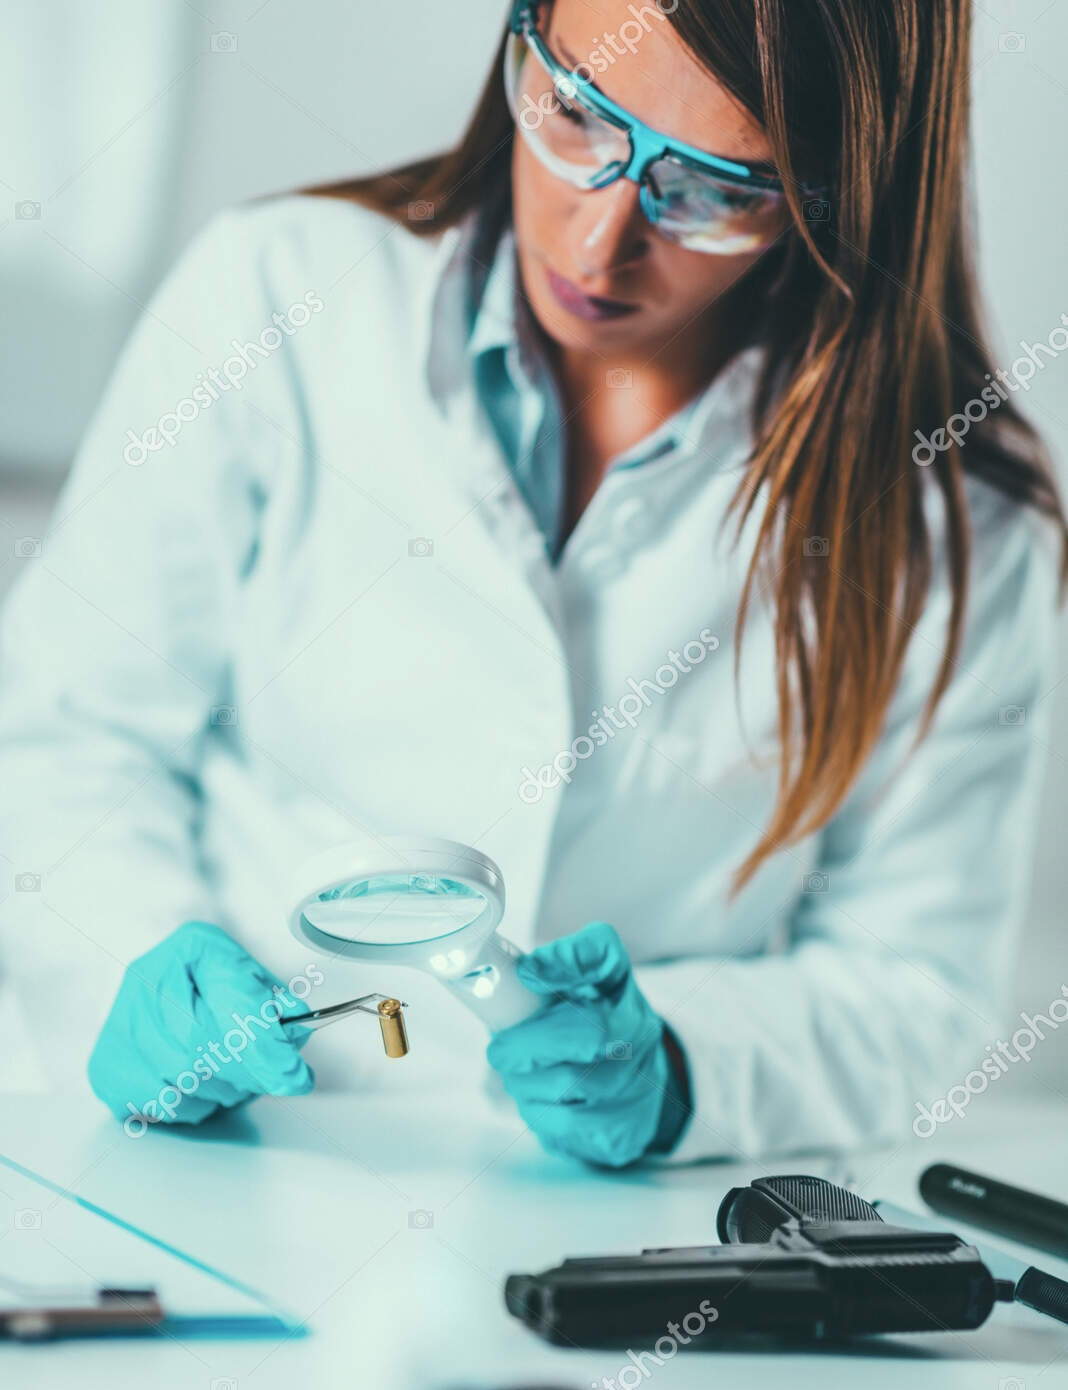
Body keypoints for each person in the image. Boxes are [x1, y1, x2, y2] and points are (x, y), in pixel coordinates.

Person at [0, 0, 1063, 1167]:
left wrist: (682, 1067)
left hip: (616, 1220)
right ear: (524, 35)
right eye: (576, 112)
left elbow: (916, 981)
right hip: (228, 1154)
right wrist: (126, 962)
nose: (602, 242)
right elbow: (64, 735)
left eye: (714, 190)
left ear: (845, 197)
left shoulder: (954, 522)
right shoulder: (275, 299)